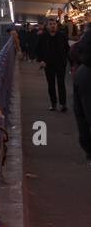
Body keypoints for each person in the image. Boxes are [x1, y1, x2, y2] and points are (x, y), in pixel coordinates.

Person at [35, 16, 70, 112]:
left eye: (54, 24)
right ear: (47, 26)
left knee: (61, 84)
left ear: (57, 25)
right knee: (51, 84)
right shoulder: (42, 36)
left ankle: (63, 104)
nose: (53, 26)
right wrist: (41, 60)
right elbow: (38, 50)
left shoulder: (62, 36)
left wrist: (67, 61)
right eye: (50, 24)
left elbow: (67, 49)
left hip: (60, 64)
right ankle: (53, 104)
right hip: (48, 64)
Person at [69, 29, 91, 164]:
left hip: (82, 74)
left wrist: (78, 64)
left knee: (81, 114)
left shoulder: (87, 34)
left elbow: (73, 51)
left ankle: (88, 150)